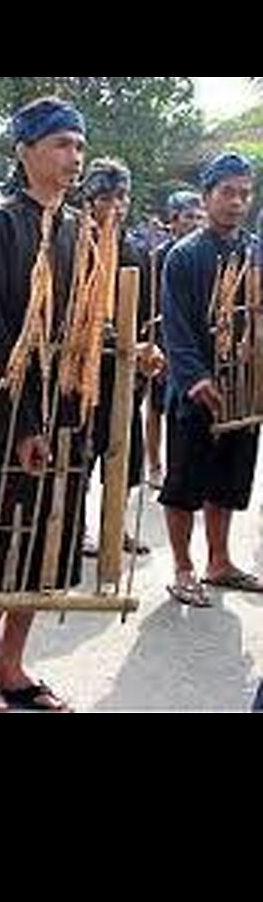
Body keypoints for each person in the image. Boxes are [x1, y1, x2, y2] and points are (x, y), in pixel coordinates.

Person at [0, 97, 87, 712]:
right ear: (25, 153)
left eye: (78, 145)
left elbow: (92, 326)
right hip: (13, 414)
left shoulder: (82, 229)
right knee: (7, 539)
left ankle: (14, 662)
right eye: (61, 143)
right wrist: (18, 427)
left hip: (70, 410)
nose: (73, 157)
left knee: (51, 538)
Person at [161, 153, 263, 607]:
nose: (237, 202)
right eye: (228, 193)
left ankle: (218, 561)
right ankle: (183, 567)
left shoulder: (256, 251)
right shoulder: (184, 256)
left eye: (245, 193)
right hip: (196, 391)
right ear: (207, 197)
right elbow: (175, 327)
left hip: (245, 389)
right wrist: (195, 378)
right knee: (185, 483)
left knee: (229, 480)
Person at [79, 159, 161, 559]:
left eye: (121, 197)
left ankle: (116, 526)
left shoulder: (138, 251)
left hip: (125, 374)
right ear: (89, 200)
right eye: (105, 197)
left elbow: (148, 314)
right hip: (80, 374)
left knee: (126, 458)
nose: (114, 205)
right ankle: (74, 530)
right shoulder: (71, 244)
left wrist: (145, 354)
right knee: (79, 455)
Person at [145, 189, 205, 489]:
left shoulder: (202, 254)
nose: (195, 222)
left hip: (191, 342)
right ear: (174, 221)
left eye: (198, 216)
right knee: (156, 406)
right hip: (163, 341)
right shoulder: (159, 256)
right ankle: (154, 463)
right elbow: (149, 302)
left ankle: (183, 467)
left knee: (182, 408)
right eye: (188, 217)